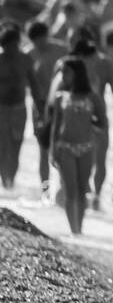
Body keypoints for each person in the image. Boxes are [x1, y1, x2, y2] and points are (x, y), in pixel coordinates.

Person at [47, 58, 108, 234]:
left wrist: (87, 121)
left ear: (77, 74)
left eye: (66, 72)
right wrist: (52, 151)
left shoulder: (93, 97)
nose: (63, 76)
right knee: (70, 190)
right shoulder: (61, 97)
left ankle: (79, 230)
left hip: (87, 148)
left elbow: (103, 124)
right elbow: (55, 127)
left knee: (82, 191)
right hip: (65, 147)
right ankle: (73, 230)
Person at [23, 21, 67, 190]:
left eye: (42, 39)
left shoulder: (61, 50)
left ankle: (64, 188)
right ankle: (45, 191)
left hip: (62, 105)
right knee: (43, 149)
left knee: (63, 147)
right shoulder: (28, 54)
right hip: (40, 107)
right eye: (36, 41)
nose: (40, 44)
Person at [0, 22, 37, 189]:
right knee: (1, 147)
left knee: (16, 147)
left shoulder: (26, 60)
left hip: (18, 109)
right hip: (1, 109)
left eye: (14, 45)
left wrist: (42, 109)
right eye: (8, 47)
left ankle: (10, 182)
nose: (12, 49)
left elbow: (34, 85)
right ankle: (4, 181)